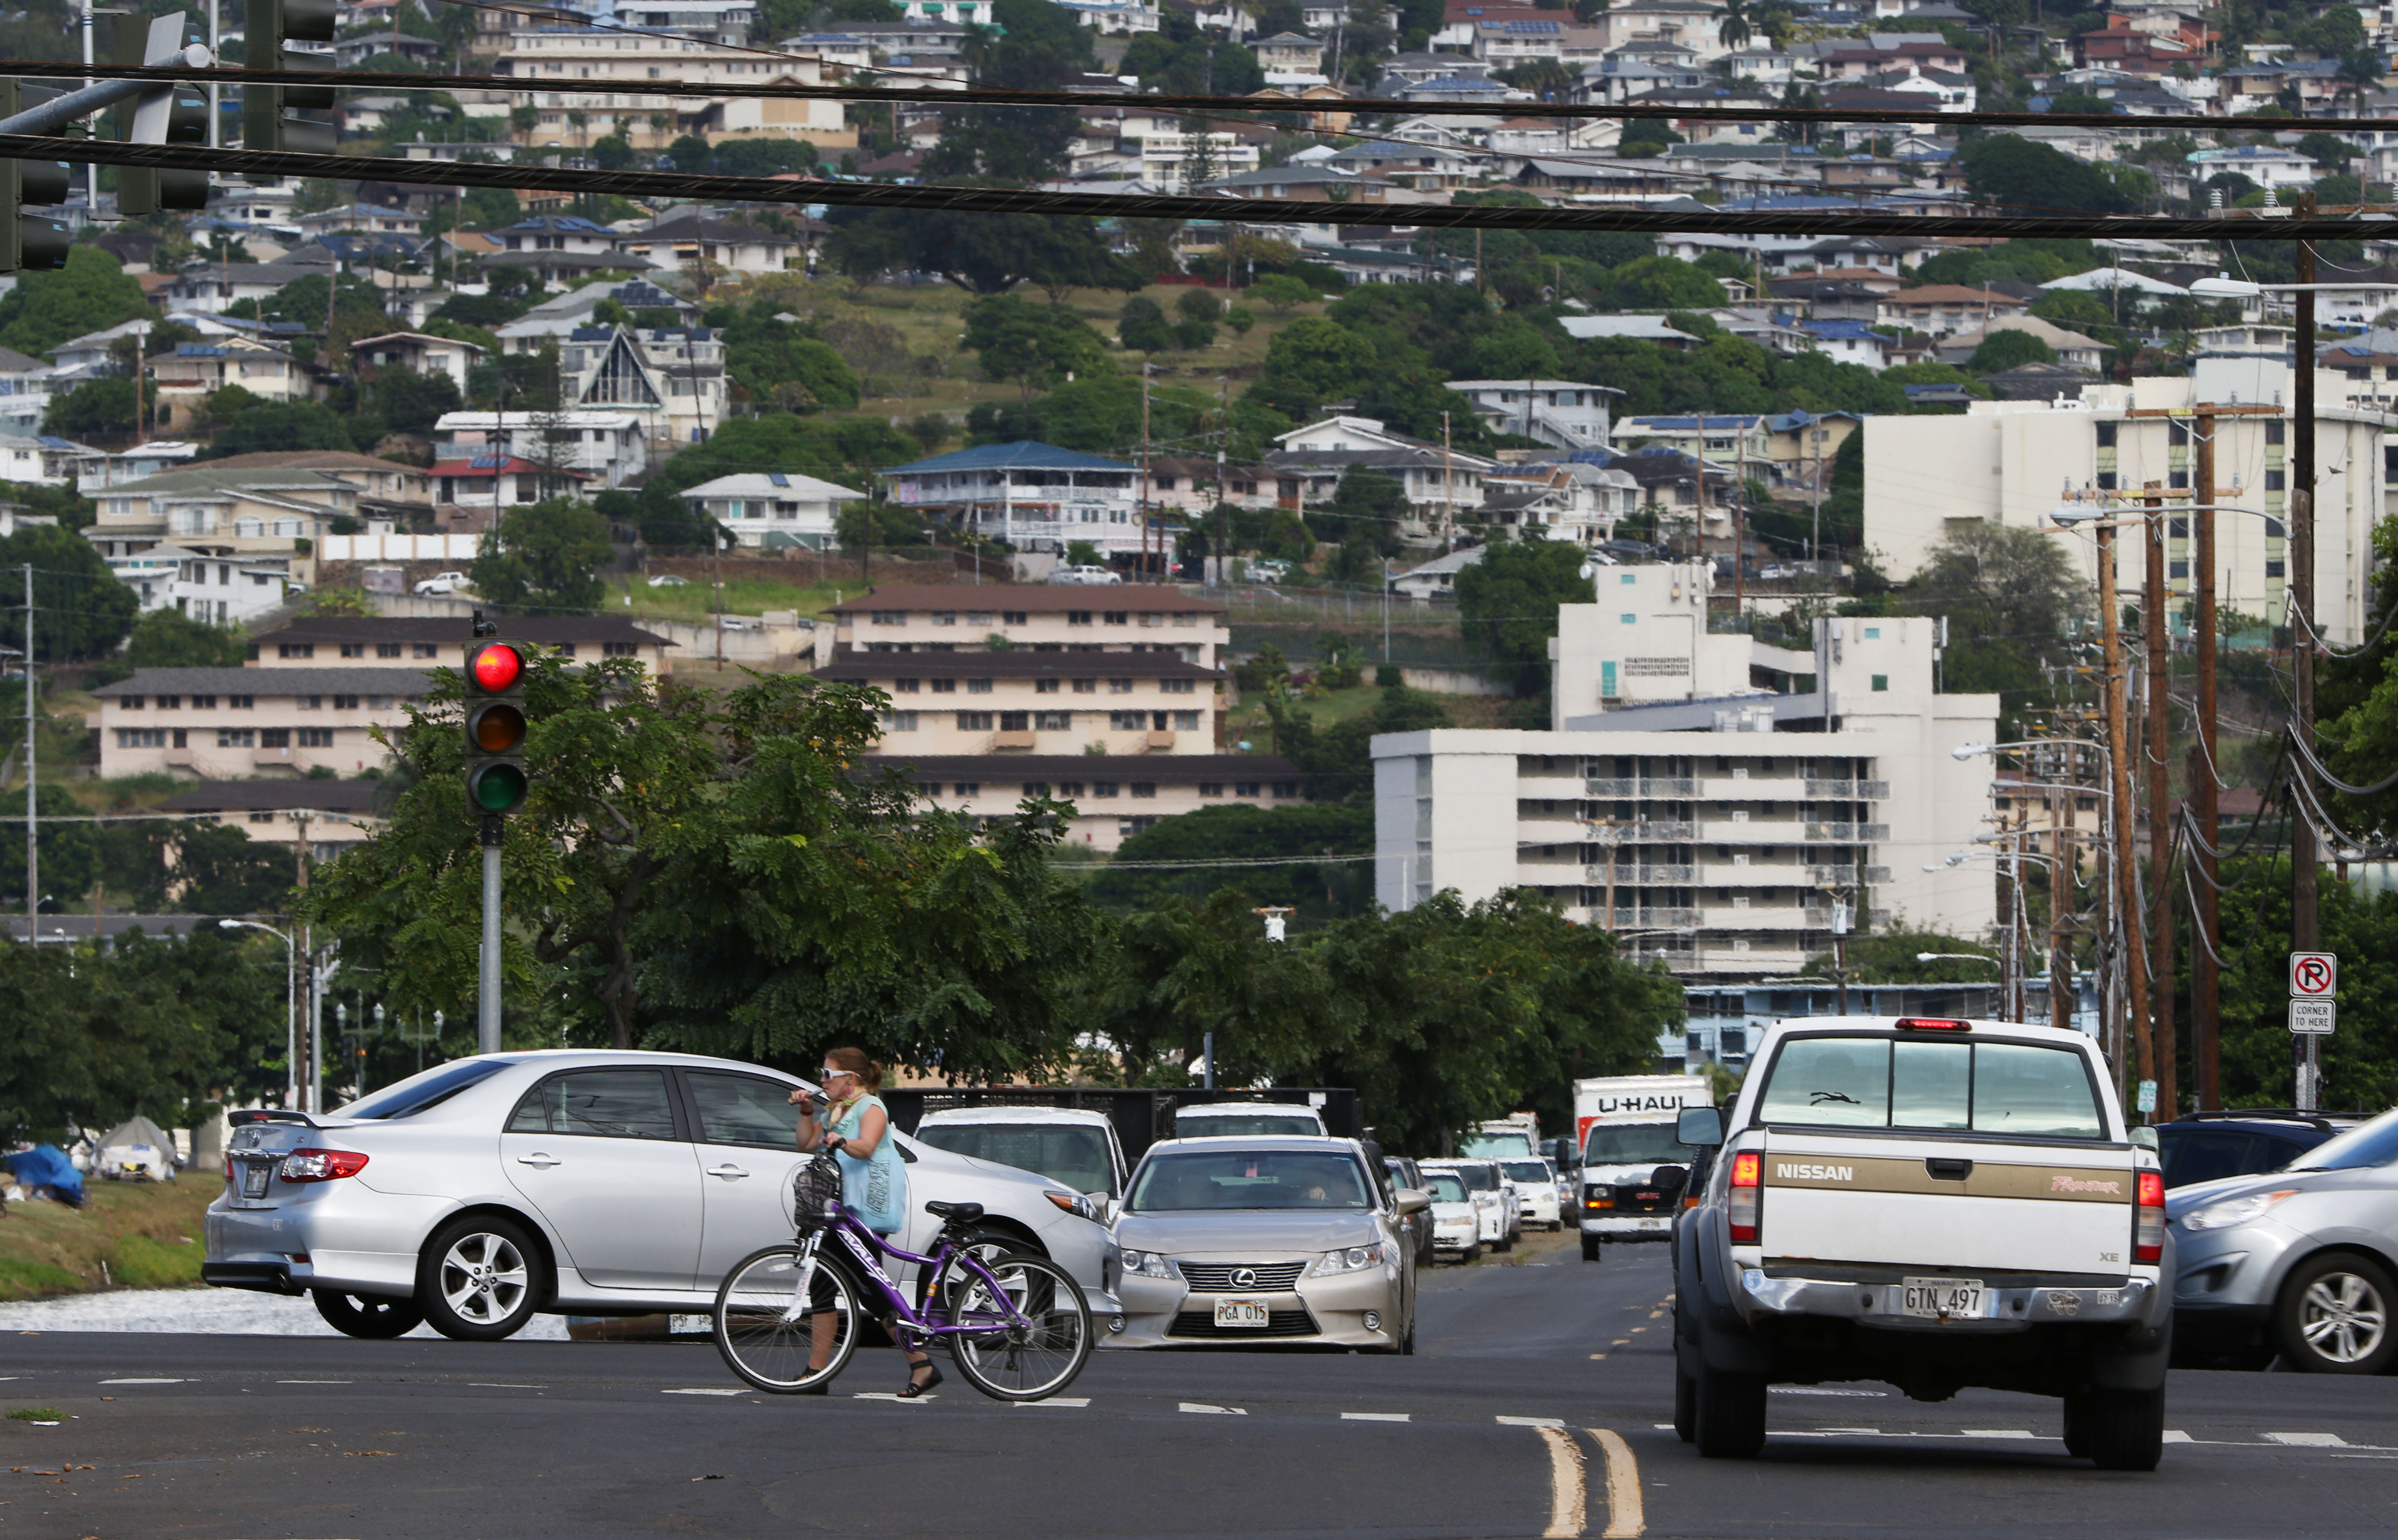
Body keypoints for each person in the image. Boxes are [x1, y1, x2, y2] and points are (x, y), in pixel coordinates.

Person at [789, 1048, 938, 1396]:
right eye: (822, 1074)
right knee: (824, 1285)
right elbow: (806, 1143)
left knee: (872, 1291)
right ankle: (816, 1373)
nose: (822, 1081)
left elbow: (867, 1147)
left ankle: (921, 1364)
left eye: (828, 1075)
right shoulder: (836, 1110)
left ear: (851, 1079)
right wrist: (807, 1110)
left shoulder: (871, 1107)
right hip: (840, 1210)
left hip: (867, 1210)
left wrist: (842, 1140)